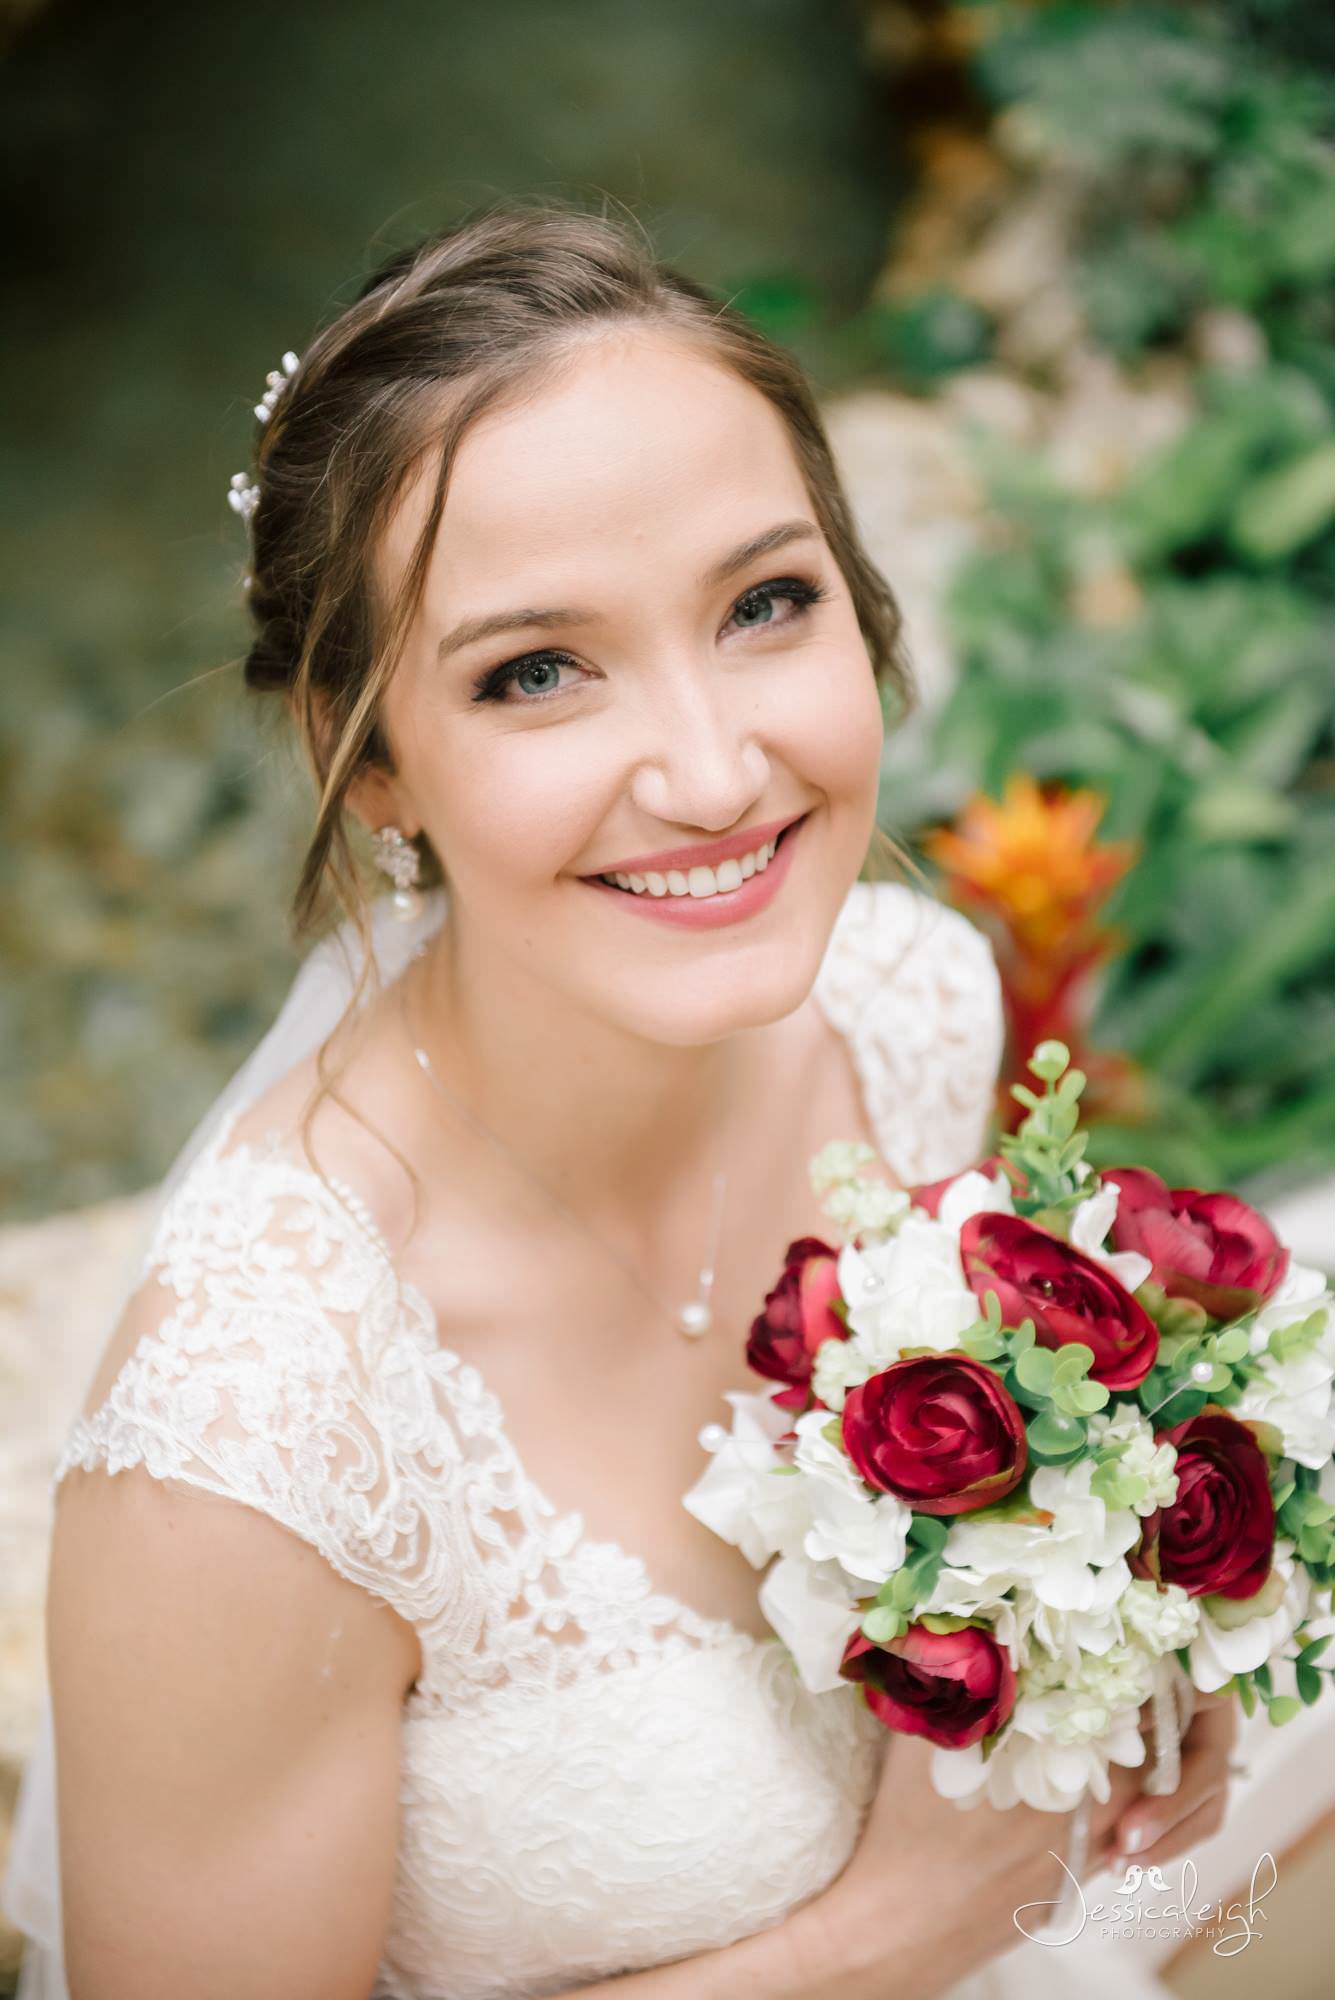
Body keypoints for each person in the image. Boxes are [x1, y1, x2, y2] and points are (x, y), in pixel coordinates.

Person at [3, 198, 1240, 2000]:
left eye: (765, 604)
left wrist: (1107, 1654)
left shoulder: (903, 1004)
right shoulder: (254, 1445)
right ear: (368, 762)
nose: (717, 772)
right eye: (536, 671)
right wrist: (892, 1936)